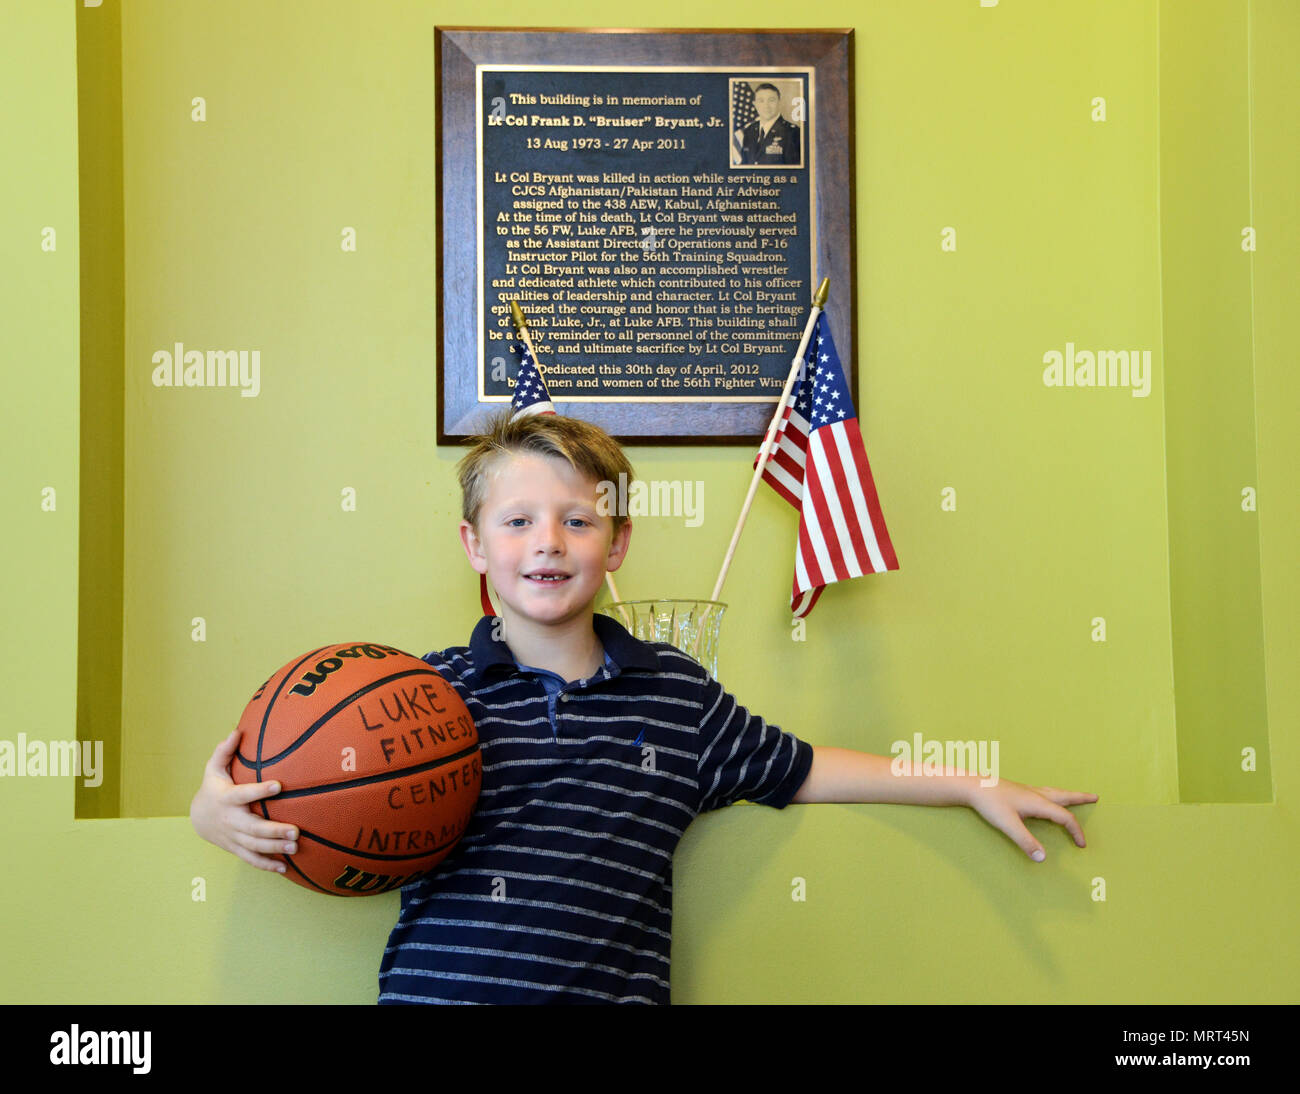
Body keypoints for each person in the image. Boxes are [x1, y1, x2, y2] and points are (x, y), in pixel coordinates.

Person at [191, 409, 1098, 1003]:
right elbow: (281, 783)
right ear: (473, 545)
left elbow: (810, 766)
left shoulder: (675, 697)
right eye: (516, 522)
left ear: (617, 542)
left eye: (577, 521)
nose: (547, 542)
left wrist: (970, 781)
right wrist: (211, 812)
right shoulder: (427, 696)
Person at [736, 82, 802, 165]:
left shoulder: (793, 133)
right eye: (761, 101)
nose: (766, 106)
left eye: (771, 100)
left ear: (779, 102)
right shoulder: (749, 130)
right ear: (755, 104)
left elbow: (795, 173)